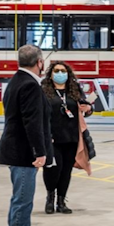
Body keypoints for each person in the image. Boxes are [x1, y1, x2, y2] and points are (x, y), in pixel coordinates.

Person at [0, 45, 53, 226]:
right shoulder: (30, 85)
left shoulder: (16, 81)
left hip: (15, 150)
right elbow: (32, 122)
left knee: (19, 197)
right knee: (23, 199)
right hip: (23, 152)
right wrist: (40, 152)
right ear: (39, 62)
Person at [42, 61, 92, 215]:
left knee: (66, 171)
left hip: (71, 138)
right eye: (56, 70)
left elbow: (86, 107)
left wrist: (89, 108)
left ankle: (61, 201)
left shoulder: (74, 90)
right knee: (53, 170)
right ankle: (50, 198)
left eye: (63, 71)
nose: (60, 73)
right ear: (51, 74)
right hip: (53, 138)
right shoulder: (44, 90)